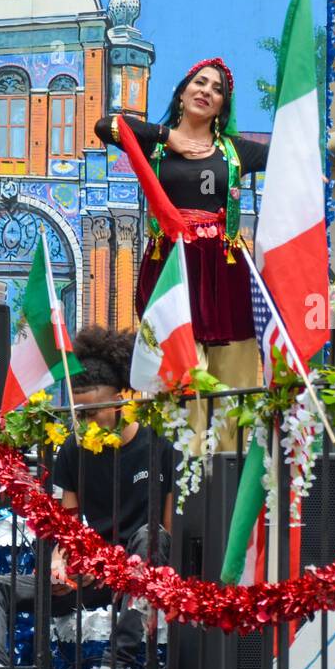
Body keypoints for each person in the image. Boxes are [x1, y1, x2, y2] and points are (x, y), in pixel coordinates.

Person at [0, 326, 174, 669]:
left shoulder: (159, 444)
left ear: (121, 402)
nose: (86, 422)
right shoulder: (74, 448)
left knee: (152, 538)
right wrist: (63, 559)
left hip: (136, 576)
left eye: (93, 412)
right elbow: (68, 523)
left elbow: (165, 534)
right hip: (89, 574)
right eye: (79, 414)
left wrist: (124, 573)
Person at [94, 58, 268, 409]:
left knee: (231, 378)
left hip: (224, 272)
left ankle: (224, 458)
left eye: (217, 90)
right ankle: (179, 458)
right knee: (178, 375)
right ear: (183, 92)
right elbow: (105, 125)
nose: (207, 91)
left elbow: (286, 158)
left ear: (222, 107)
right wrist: (168, 136)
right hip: (171, 267)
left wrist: (308, 173)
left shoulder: (235, 151)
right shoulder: (155, 146)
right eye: (200, 83)